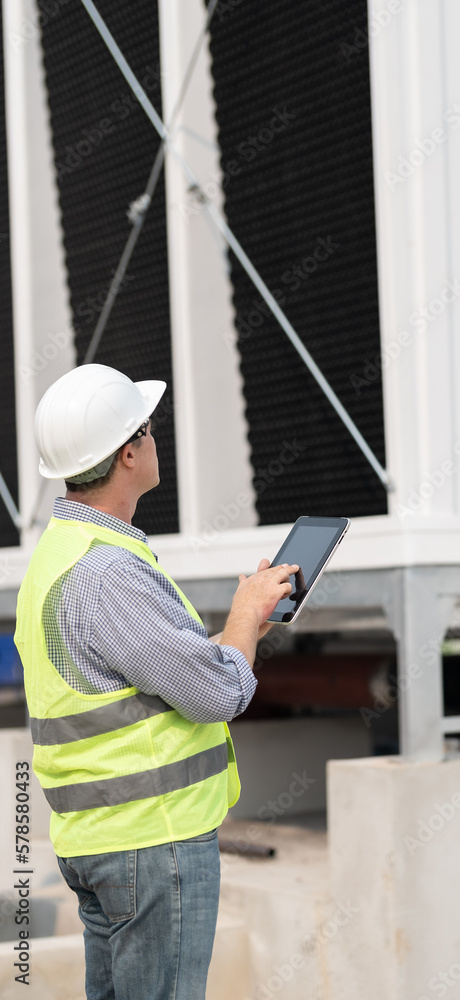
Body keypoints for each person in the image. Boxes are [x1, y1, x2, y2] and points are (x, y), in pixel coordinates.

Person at [14, 363, 298, 1000]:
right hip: (151, 842)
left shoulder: (61, 556)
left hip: (102, 843)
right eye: (147, 429)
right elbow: (218, 693)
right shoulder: (106, 573)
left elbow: (169, 675)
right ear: (128, 454)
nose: (154, 441)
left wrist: (243, 626)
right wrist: (248, 613)